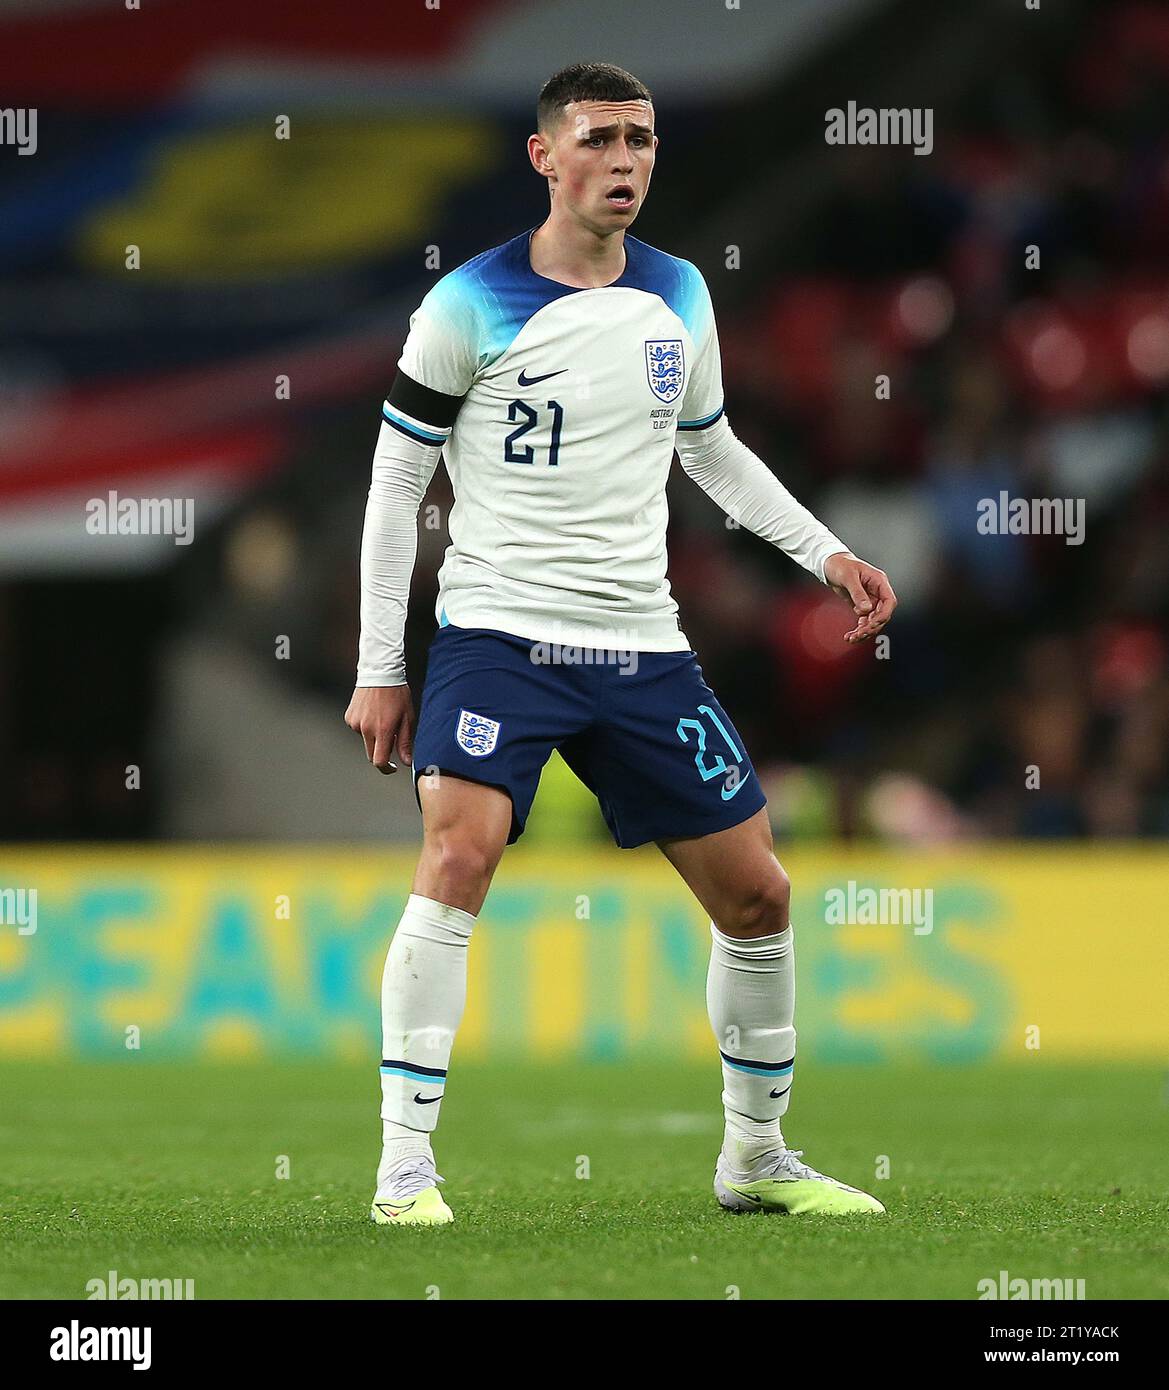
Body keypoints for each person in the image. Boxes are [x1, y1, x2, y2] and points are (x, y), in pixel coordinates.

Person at [346, 62, 897, 1225]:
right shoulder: (466, 305)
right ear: (543, 157)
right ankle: (404, 1169)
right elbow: (395, 487)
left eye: (640, 140)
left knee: (757, 897)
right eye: (598, 139)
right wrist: (379, 664)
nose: (625, 161)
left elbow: (711, 450)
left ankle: (755, 1155)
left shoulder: (680, 295)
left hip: (640, 645)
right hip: (498, 632)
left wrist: (826, 554)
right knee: (460, 852)